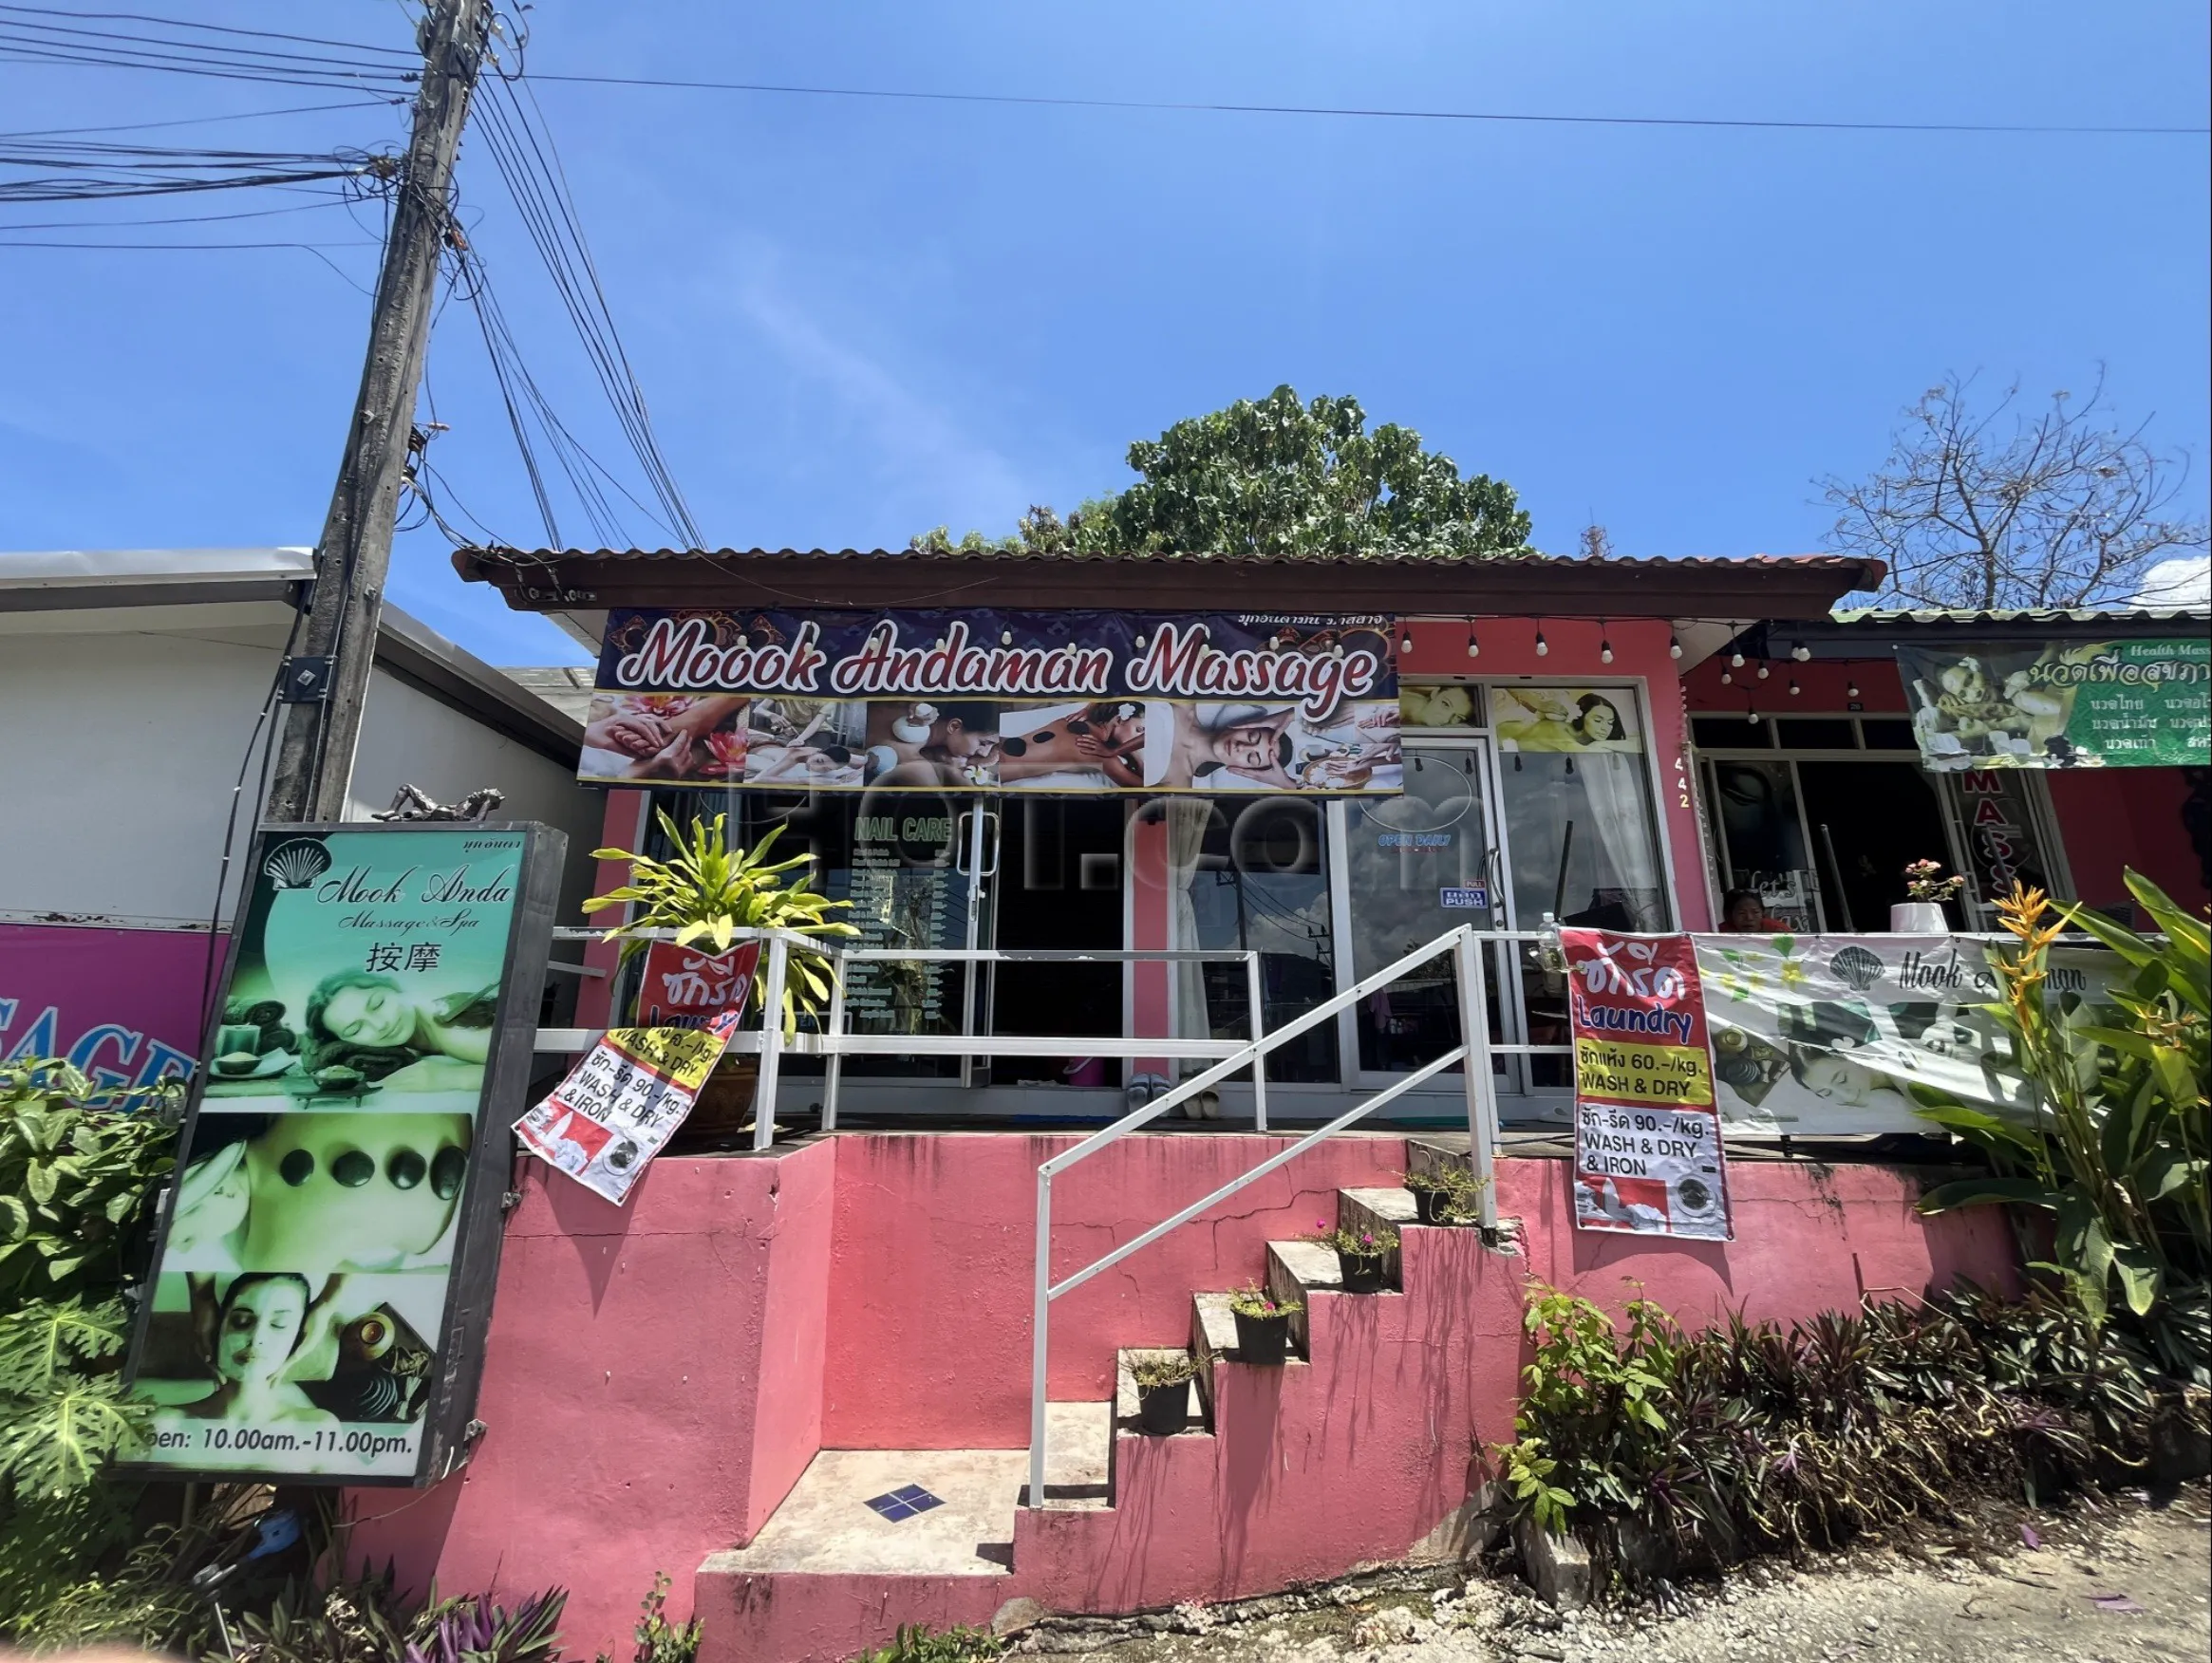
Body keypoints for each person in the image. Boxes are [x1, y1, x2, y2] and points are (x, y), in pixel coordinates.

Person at [178, 1272, 341, 1427]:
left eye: (279, 1324)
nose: (257, 1338)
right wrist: (202, 1297)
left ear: (297, 1340)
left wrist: (326, 1307)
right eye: (241, 1321)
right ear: (217, 1329)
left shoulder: (316, 1427)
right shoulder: (168, 1423)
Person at [303, 970, 495, 1091]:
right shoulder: (416, 1036)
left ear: (394, 987)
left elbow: (520, 1073)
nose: (380, 1025)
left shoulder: (455, 1032)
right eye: (355, 1029)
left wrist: (453, 1077)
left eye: (378, 1004)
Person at [1495, 688, 1632, 752]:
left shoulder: (1586, 741)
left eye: (1610, 723)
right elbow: (1575, 748)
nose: (1604, 728)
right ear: (1582, 718)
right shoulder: (1560, 731)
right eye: (1598, 721)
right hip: (1497, 737)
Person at [1720, 888, 1789, 932]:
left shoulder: (1778, 931)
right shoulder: (1719, 933)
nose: (1749, 918)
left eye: (1755, 912)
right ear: (1729, 915)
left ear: (1763, 913)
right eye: (1742, 913)